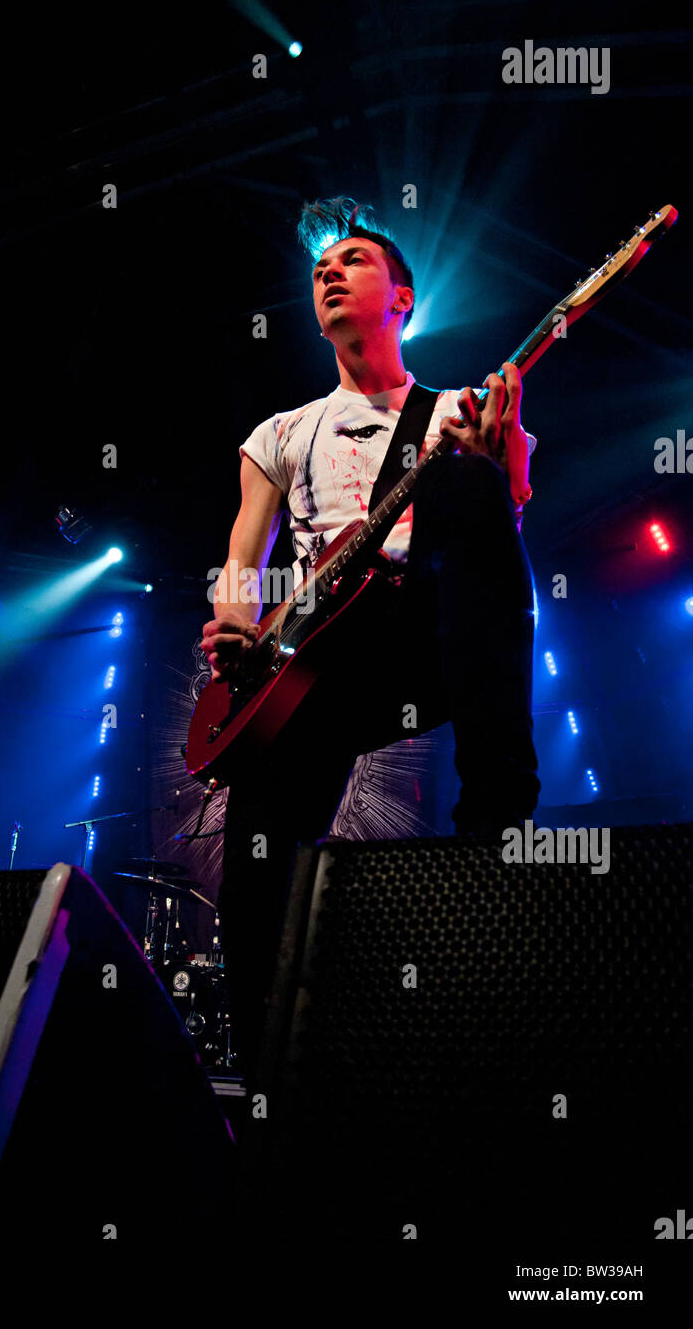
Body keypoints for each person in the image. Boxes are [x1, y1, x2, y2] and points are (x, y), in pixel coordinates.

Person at [200, 196, 540, 1087]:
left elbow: (498, 541)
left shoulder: (460, 405)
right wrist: (236, 624)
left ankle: (494, 818)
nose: (327, 273)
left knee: (465, 492)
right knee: (254, 875)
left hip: (423, 625)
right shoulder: (278, 435)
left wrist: (489, 462)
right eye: (319, 269)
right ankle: (270, 1082)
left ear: (401, 297)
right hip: (311, 657)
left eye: (352, 260)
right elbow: (245, 555)